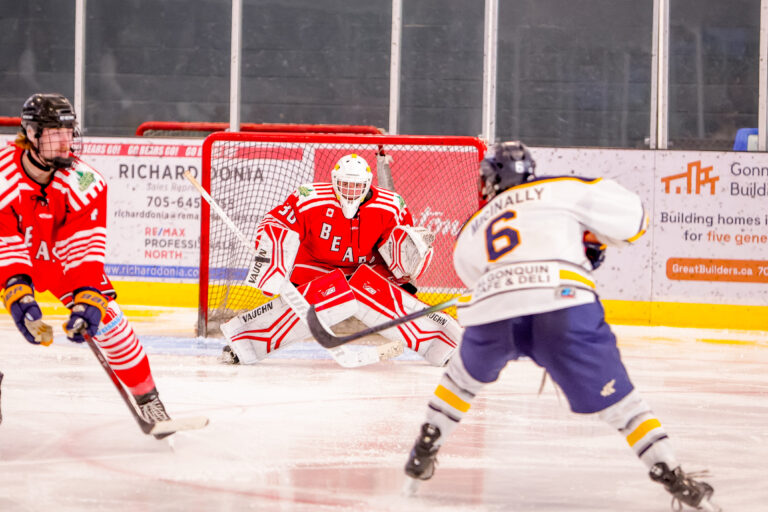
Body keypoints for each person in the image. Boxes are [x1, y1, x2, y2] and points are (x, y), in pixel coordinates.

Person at [403, 142, 720, 511]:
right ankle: (670, 472)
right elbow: (635, 221)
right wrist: (588, 244)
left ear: (489, 181)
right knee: (624, 406)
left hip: (493, 308)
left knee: (460, 380)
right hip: (563, 303)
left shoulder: (474, 225)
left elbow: (473, 275)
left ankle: (426, 445)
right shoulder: (563, 188)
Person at [0, 93, 172, 432]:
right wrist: (18, 292)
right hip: (11, 256)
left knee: (111, 323)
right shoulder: (2, 175)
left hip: (58, 260)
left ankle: (148, 399)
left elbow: (84, 250)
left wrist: (87, 298)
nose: (66, 141)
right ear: (32, 134)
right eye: (56, 133)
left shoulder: (85, 182)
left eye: (69, 131)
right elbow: (6, 241)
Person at [220, 153, 461, 367]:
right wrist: (271, 256)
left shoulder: (391, 205)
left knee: (387, 297)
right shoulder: (308, 198)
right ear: (334, 181)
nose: (350, 191)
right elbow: (275, 223)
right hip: (315, 267)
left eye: (357, 186)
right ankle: (242, 341)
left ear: (368, 184)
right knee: (306, 302)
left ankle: (445, 342)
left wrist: (408, 266)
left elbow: (401, 247)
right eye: (345, 184)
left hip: (366, 269)